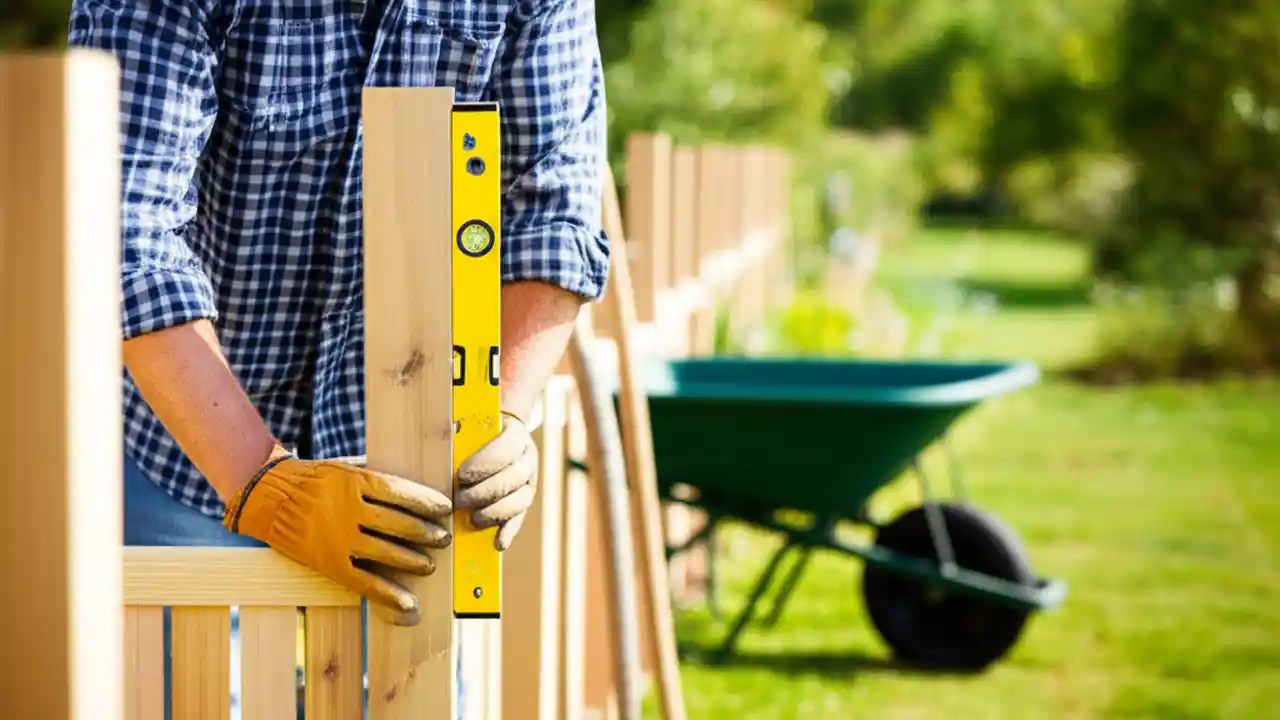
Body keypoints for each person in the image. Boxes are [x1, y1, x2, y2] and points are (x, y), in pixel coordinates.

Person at [67, 0, 608, 628]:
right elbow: (126, 232)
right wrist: (262, 485)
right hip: (187, 456)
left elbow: (547, 220)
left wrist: (505, 413)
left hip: (412, 478)